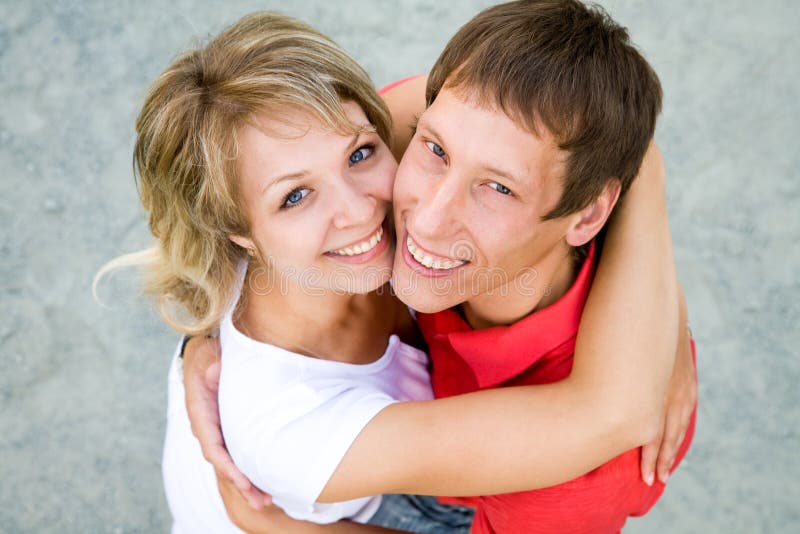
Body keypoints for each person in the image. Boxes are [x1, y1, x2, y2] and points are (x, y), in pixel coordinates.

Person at [134, 4, 693, 534]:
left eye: (360, 154)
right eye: (295, 197)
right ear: (236, 233)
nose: (364, 213)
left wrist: (643, 173)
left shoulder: (377, 169)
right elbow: (617, 411)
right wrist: (269, 524)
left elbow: (533, 109)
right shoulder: (286, 426)